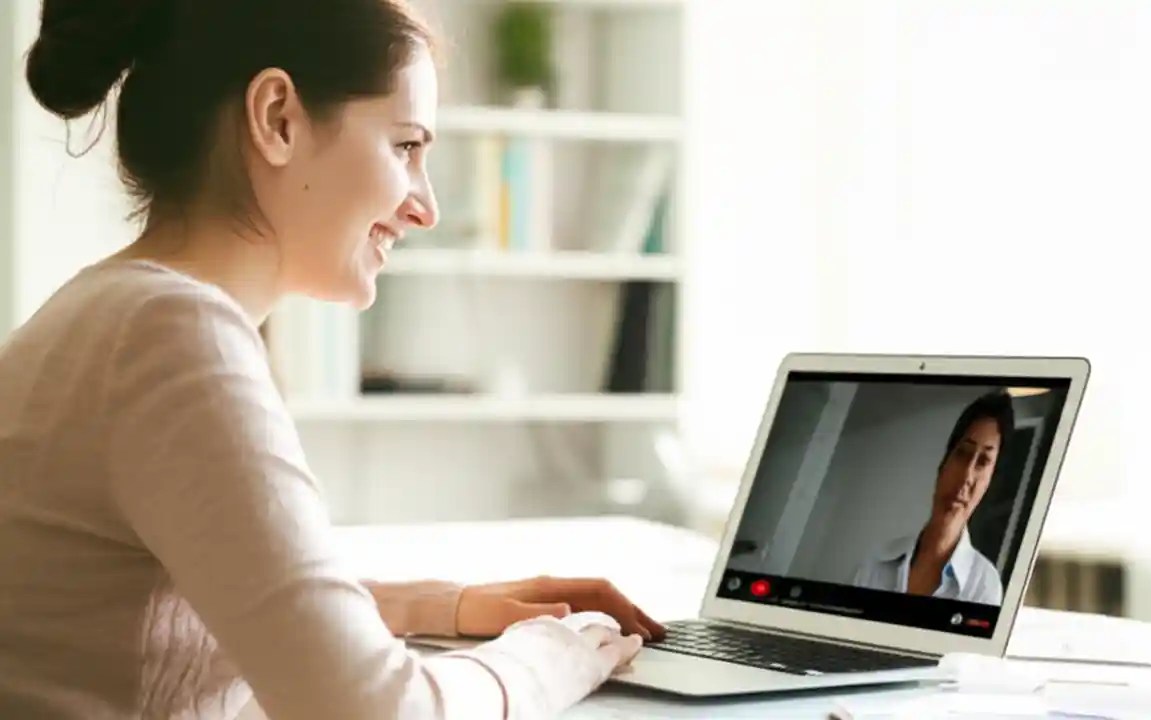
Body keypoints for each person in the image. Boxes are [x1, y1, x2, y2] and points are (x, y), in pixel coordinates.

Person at [0, 1, 665, 718]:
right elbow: (374, 712)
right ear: (278, 119)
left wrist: (444, 605)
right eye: (405, 146)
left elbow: (222, 601)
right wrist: (550, 659)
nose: (426, 208)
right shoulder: (172, 334)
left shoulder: (109, 312)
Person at [850, 391, 1014, 606]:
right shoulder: (876, 564)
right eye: (963, 453)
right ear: (943, 464)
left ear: (989, 484)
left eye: (983, 461)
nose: (966, 476)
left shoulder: (983, 586)